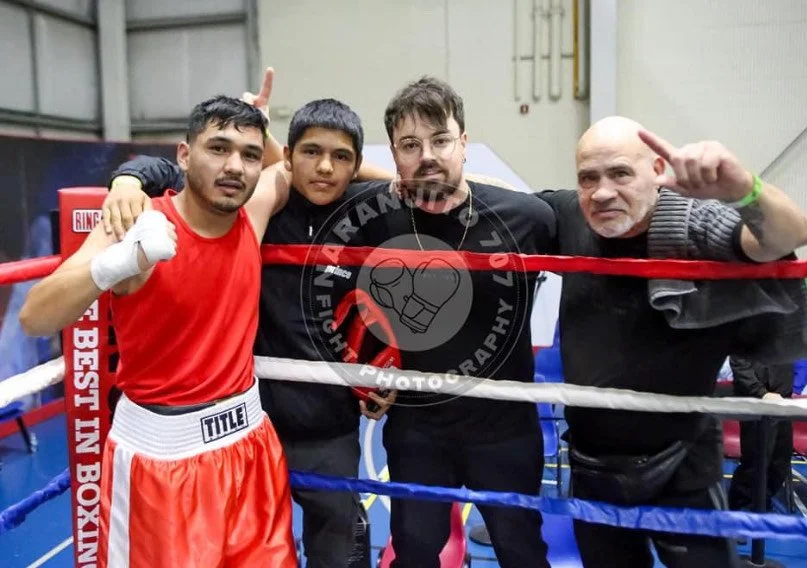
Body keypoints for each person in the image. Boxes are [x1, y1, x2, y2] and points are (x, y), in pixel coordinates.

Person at [103, 97, 397, 568]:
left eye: (342, 158)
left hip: (329, 425)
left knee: (337, 545)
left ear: (356, 165)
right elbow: (168, 169)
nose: (324, 167)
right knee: (241, 550)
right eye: (310, 153)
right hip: (250, 426)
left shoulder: (366, 212)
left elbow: (404, 282)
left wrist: (384, 368)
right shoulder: (254, 201)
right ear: (288, 156)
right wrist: (126, 178)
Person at [19, 95, 297, 567]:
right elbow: (34, 316)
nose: (235, 166)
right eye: (218, 148)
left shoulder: (253, 212)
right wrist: (118, 264)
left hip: (250, 446)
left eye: (249, 155)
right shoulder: (137, 223)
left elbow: (289, 168)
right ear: (184, 156)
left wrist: (263, 129)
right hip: (162, 466)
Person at [538, 115, 807, 567]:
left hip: (684, 463)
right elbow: (483, 196)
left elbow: (785, 236)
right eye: (589, 178)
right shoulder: (568, 216)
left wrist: (745, 189)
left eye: (621, 173)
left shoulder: (696, 226)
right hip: (592, 459)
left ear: (658, 171)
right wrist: (384, 173)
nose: (602, 192)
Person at [728, 356, 795, 512]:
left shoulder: (785, 334)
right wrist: (761, 392)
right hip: (755, 403)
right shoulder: (745, 333)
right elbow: (739, 363)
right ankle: (739, 508)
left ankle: (762, 502)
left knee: (780, 461)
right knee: (755, 462)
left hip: (782, 402)